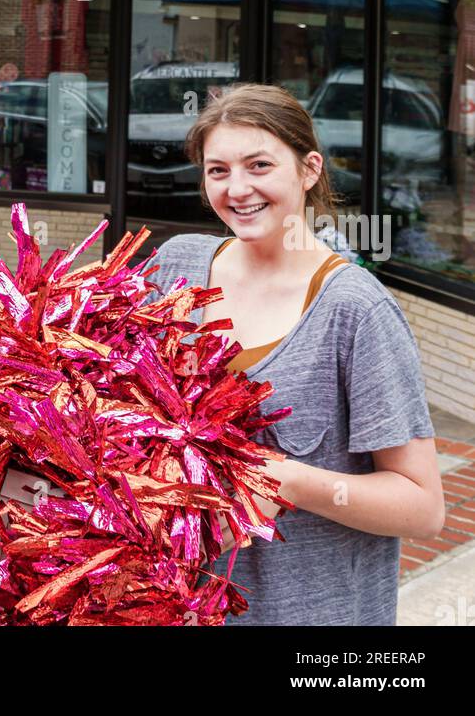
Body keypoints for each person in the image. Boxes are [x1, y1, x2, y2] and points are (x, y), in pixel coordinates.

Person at [151, 82, 444, 626]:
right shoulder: (175, 269)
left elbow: (423, 508)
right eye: (218, 170)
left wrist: (287, 481)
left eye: (259, 165)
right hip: (172, 609)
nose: (237, 189)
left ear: (309, 170)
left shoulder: (354, 311)